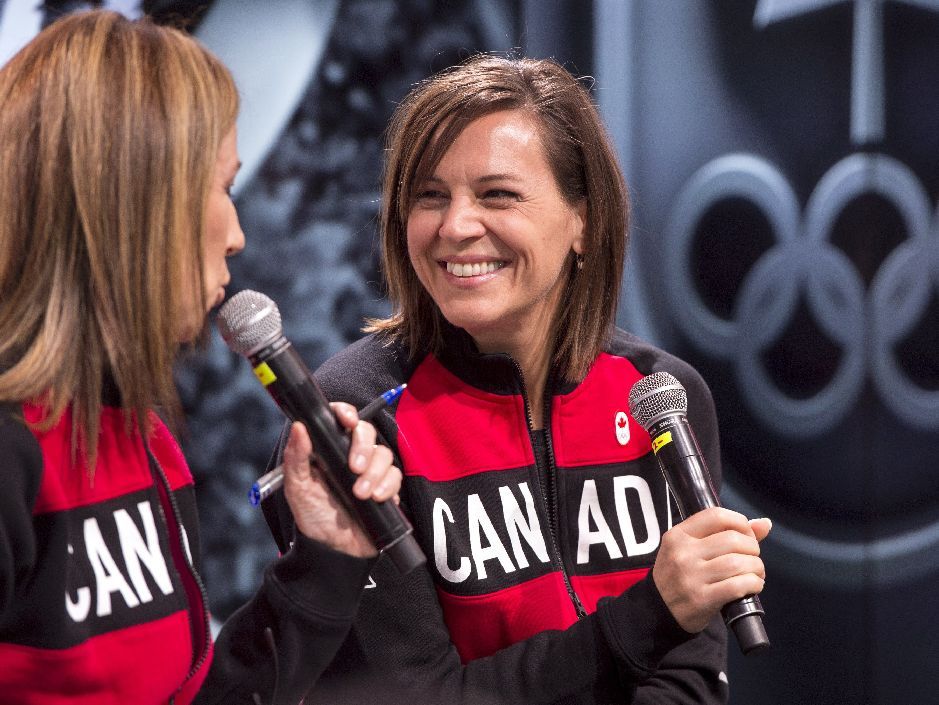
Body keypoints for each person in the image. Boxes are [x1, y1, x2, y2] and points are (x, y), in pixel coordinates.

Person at [263, 54, 771, 704]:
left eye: (496, 194)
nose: (455, 226)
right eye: (429, 195)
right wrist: (648, 612)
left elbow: (686, 676)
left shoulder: (661, 396)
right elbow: (411, 695)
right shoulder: (353, 419)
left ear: (581, 220)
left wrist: (662, 619)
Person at [0, 10, 401, 705]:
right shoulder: (14, 448)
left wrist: (326, 555)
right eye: (222, 188)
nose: (238, 235)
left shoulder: (141, 430)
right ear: (139, 200)